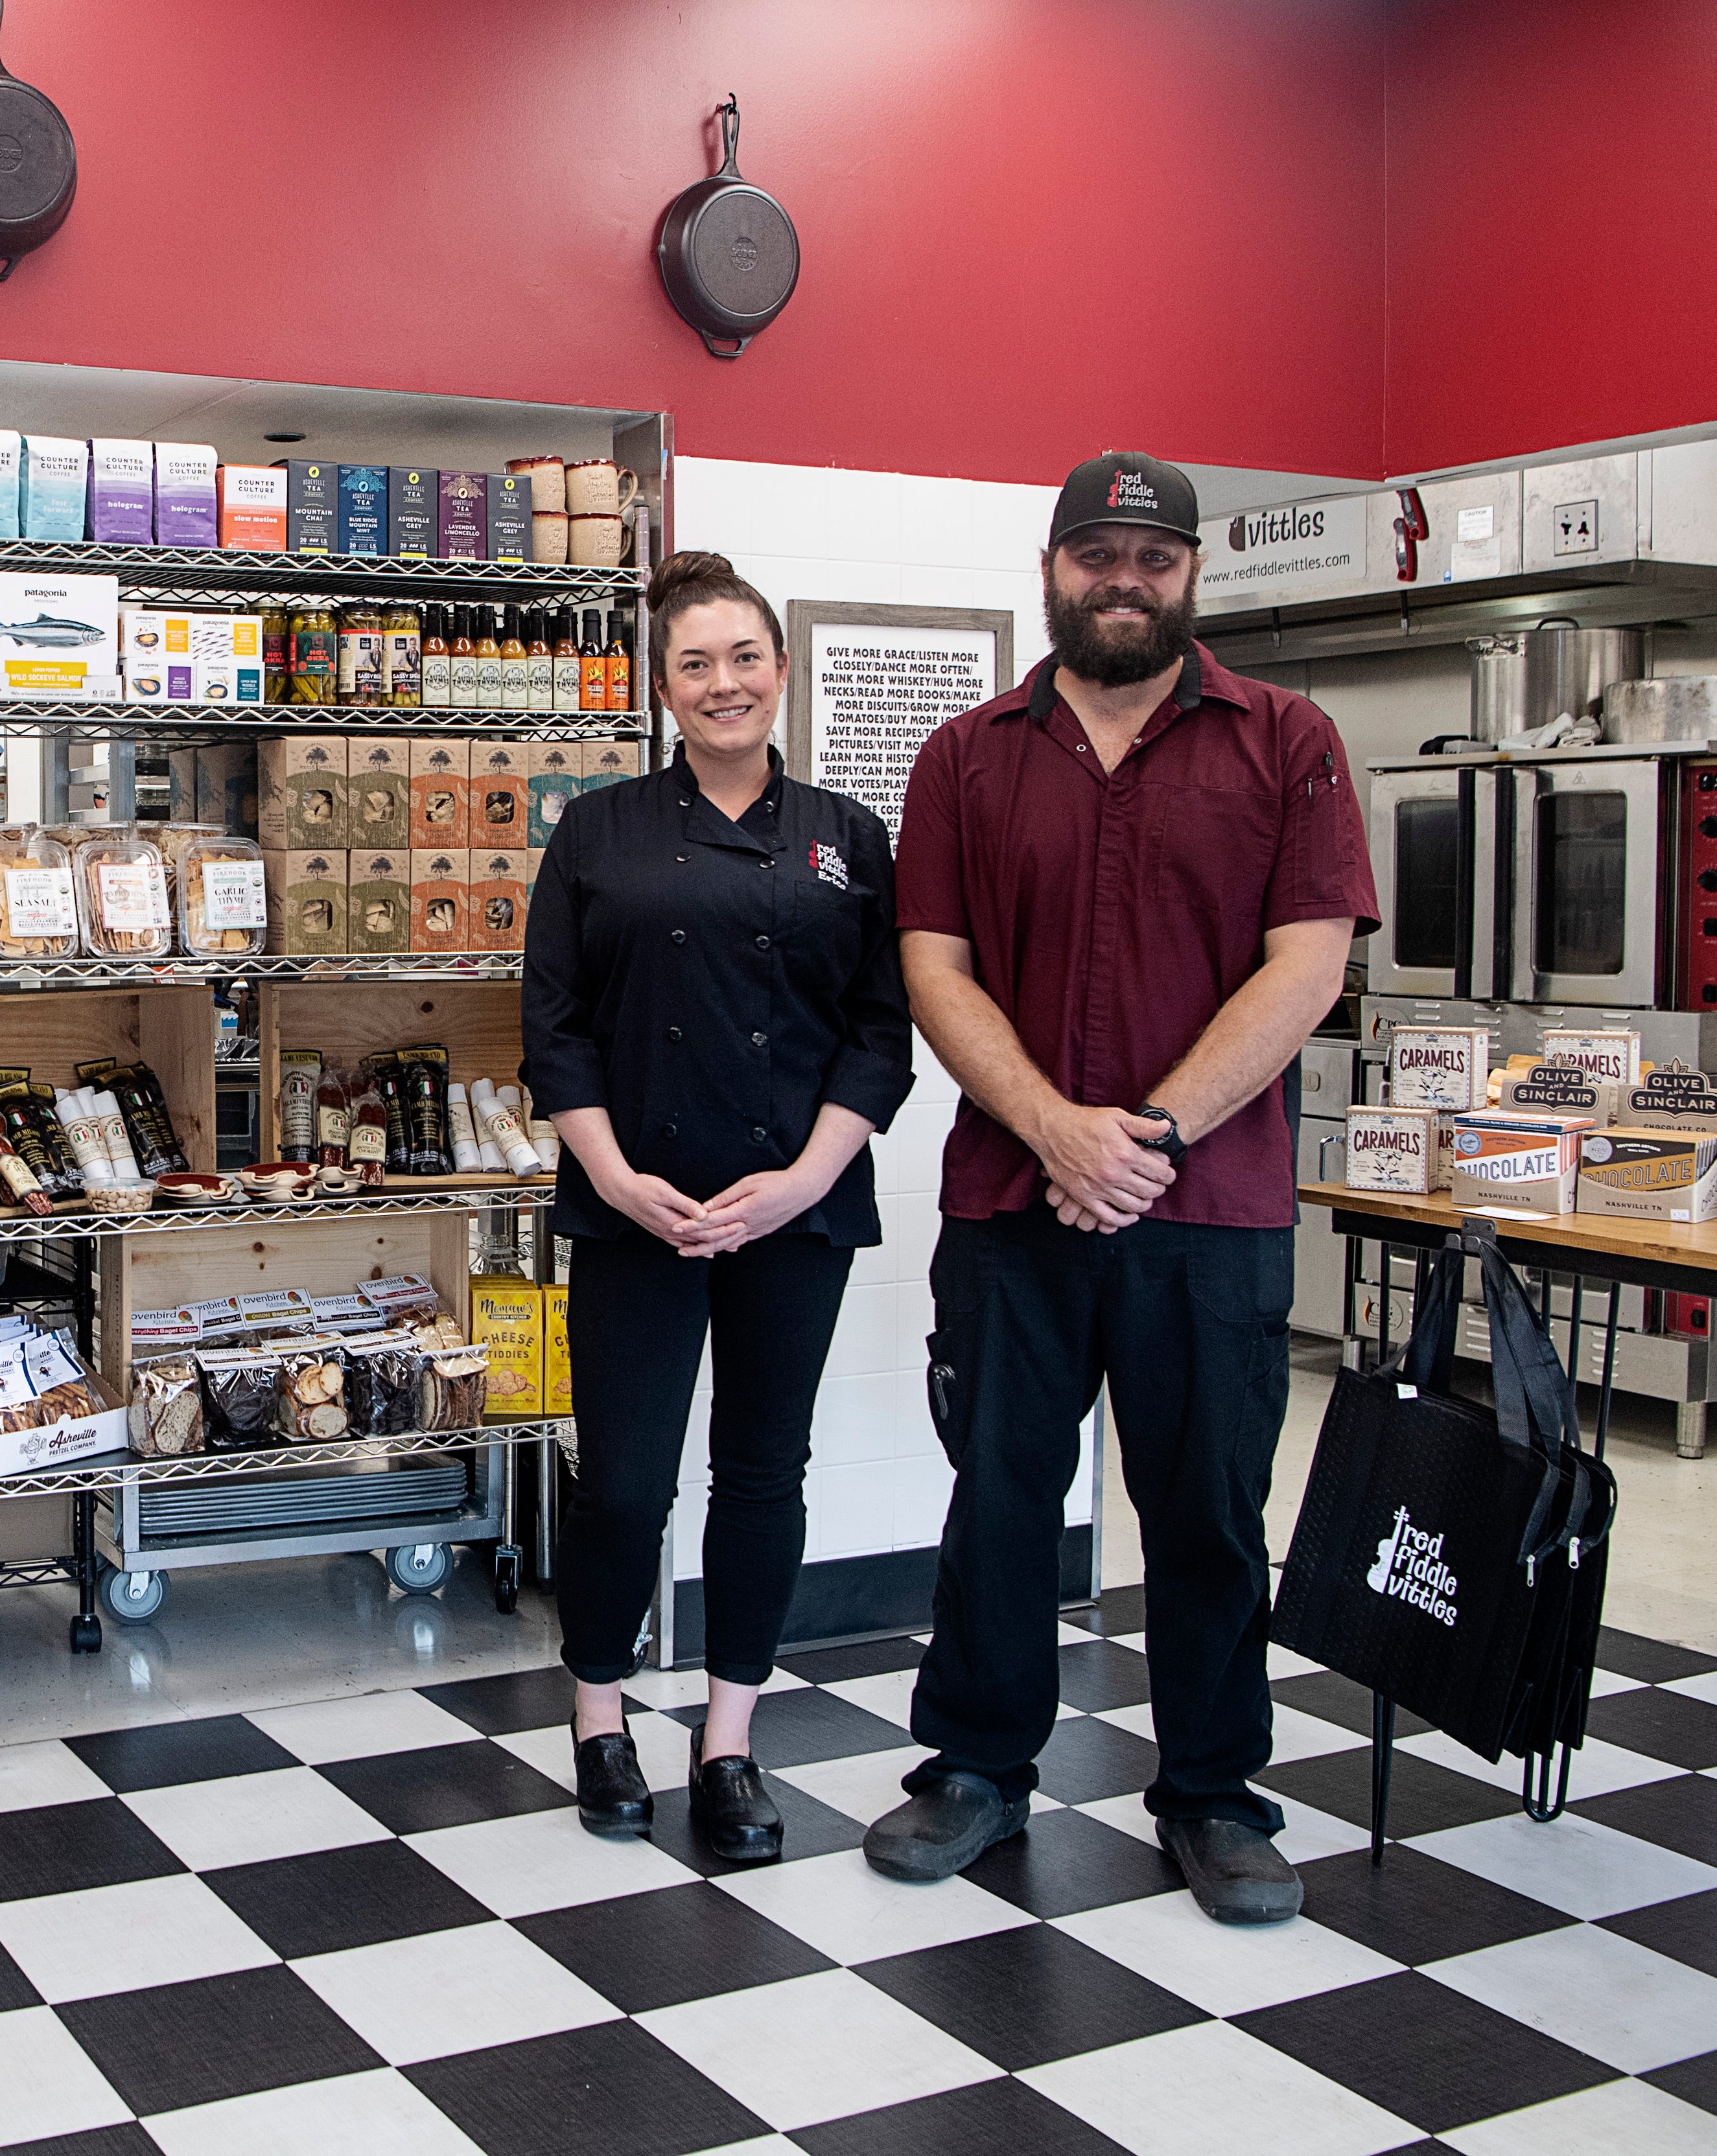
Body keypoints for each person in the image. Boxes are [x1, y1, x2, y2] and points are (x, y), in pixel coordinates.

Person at [865, 452, 1376, 1923]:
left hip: (1206, 1211)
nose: (1122, 578)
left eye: (1150, 556)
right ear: (1050, 568)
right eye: (1096, 552)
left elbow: (1309, 964)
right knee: (1001, 1496)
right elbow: (931, 968)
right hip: (1010, 1206)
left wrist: (1140, 1136)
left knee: (1208, 1510)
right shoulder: (964, 756)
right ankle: (971, 1765)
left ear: (1191, 572)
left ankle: (1213, 1793)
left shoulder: (1286, 740)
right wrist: (1052, 1132)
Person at [522, 551, 914, 1862]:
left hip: (789, 1212)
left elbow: (876, 1031)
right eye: (693, 662)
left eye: (742, 656)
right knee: (624, 1483)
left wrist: (805, 1174)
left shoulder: (847, 838)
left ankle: (729, 1737)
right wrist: (617, 1174)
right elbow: (555, 1027)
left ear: (779, 668)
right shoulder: (597, 830)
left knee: (760, 1474)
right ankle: (595, 1715)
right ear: (663, 686)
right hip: (632, 1207)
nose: (721, 682)